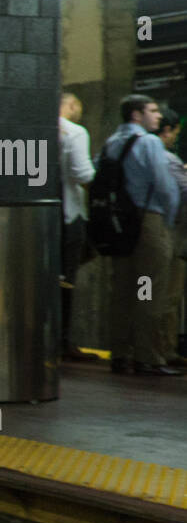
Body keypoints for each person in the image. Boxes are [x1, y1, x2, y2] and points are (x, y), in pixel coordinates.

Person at [101, 94, 182, 375]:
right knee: (147, 289)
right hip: (148, 223)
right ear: (137, 115)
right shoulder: (149, 142)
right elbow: (164, 185)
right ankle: (147, 356)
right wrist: (167, 219)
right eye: (152, 111)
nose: (158, 116)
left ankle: (120, 353)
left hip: (120, 227)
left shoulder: (112, 142)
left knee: (122, 291)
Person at [58, 91, 96, 360]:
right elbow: (82, 173)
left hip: (41, 218)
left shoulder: (35, 127)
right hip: (69, 214)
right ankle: (62, 341)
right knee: (66, 281)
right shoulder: (75, 132)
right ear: (70, 104)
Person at [155, 107, 187, 366]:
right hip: (169, 234)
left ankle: (133, 349)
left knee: (143, 292)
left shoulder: (123, 146)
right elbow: (181, 192)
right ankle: (163, 350)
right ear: (167, 131)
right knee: (169, 294)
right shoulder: (167, 158)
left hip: (135, 235)